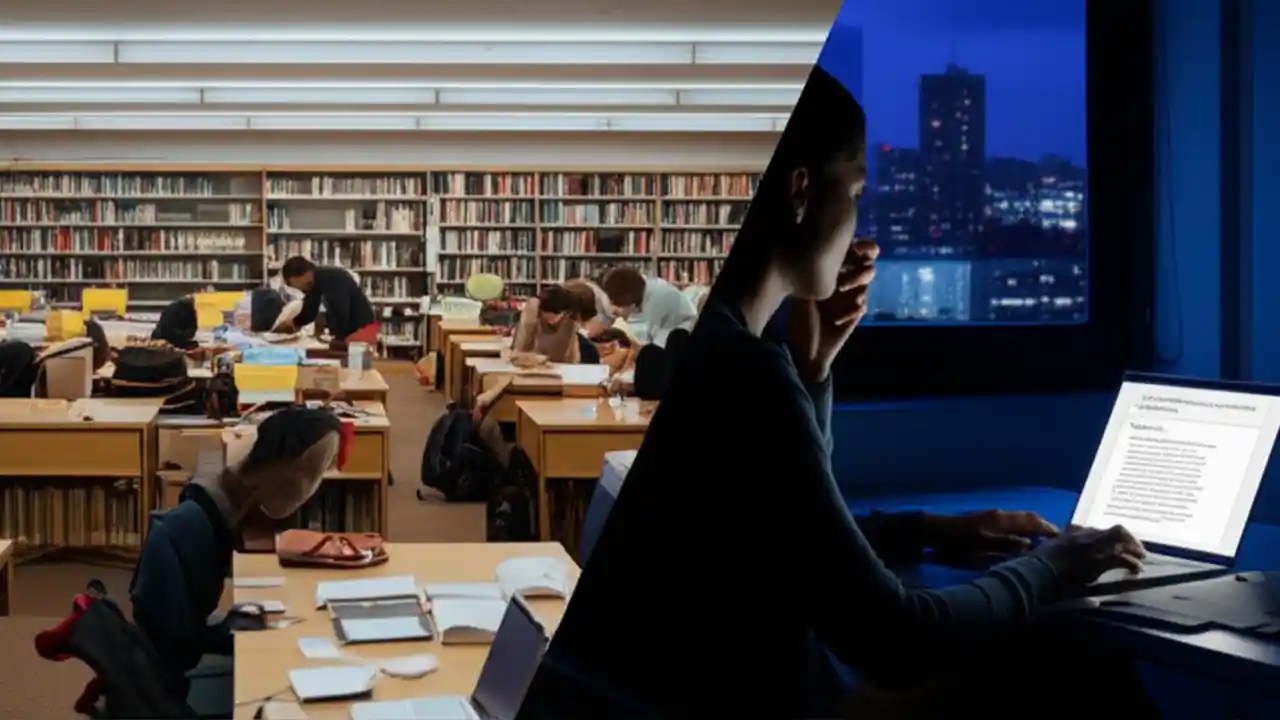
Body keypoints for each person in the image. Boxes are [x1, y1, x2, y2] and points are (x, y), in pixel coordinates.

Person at [516, 67, 1155, 719]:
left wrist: (818, 372)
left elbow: (793, 536)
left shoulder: (734, 353)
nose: (859, 223)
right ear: (800, 191)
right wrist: (1055, 565)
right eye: (854, 192)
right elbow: (896, 640)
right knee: (1073, 664)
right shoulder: (744, 371)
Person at [129, 408, 342, 698]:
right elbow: (179, 643)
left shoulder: (215, 500)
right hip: (177, 678)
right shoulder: (200, 521)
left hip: (172, 658)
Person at [277, 256, 378, 350]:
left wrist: (335, 340)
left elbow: (341, 312)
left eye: (295, 284)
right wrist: (294, 323)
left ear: (304, 275)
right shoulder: (315, 280)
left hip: (362, 329)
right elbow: (310, 309)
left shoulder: (333, 278)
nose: (300, 289)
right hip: (352, 329)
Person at [599, 266, 697, 347]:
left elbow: (655, 348)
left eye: (616, 305)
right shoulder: (643, 289)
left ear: (630, 304)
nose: (613, 310)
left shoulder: (658, 302)